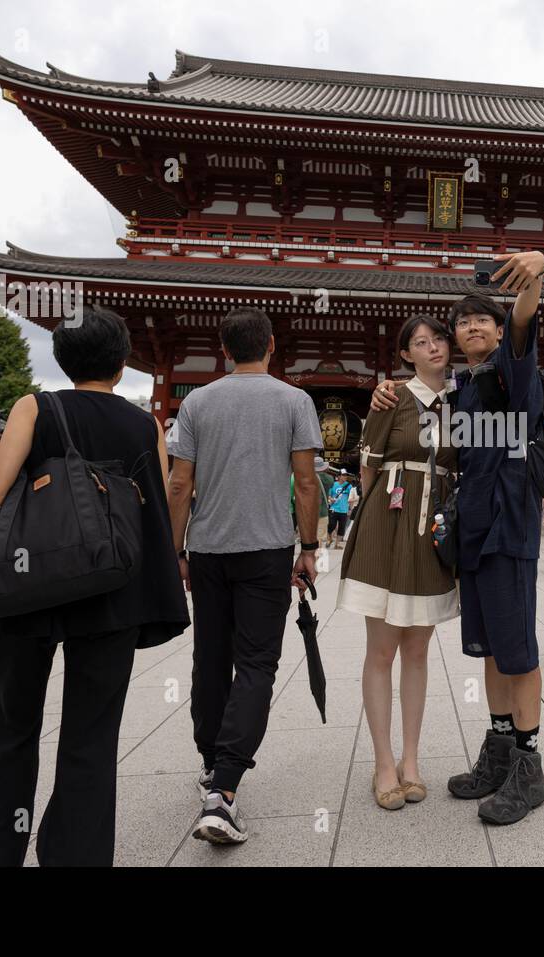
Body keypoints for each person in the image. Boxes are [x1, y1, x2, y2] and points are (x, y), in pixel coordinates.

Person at [0, 306, 190, 866]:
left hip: (25, 584)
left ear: (62, 358)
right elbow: (153, 511)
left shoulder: (35, 407)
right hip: (110, 594)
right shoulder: (143, 424)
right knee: (92, 737)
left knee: (12, 727)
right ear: (121, 359)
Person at [371, 250, 544, 826]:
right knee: (493, 647)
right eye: (462, 323)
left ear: (499, 331)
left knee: (517, 649)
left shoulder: (510, 370)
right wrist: (386, 391)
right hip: (472, 530)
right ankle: (499, 749)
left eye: (483, 320)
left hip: (509, 527)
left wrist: (537, 270)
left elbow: (525, 316)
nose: (471, 327)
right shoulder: (462, 391)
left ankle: (528, 765)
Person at [166, 307, 322, 845]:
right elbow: (305, 484)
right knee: (256, 663)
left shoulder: (197, 402)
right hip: (267, 550)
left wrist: (176, 549)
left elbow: (179, 484)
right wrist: (308, 547)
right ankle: (225, 790)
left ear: (224, 349)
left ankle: (212, 765)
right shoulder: (294, 401)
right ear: (272, 346)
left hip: (208, 549)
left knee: (210, 656)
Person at [340, 315, 460, 809]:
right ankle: (383, 762)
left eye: (437, 339)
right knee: (382, 650)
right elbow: (367, 472)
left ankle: (412, 760)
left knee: (417, 651)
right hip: (388, 527)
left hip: (433, 532)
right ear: (406, 354)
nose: (432, 347)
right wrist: (381, 525)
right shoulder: (391, 397)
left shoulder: (460, 403)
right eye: (419, 342)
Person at [327, 469, 352, 548]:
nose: (345, 477)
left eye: (346, 475)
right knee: (331, 525)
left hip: (344, 510)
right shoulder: (333, 484)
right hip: (334, 508)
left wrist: (350, 508)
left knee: (341, 528)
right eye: (343, 475)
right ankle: (330, 538)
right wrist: (331, 499)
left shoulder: (348, 486)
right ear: (339, 476)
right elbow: (328, 495)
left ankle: (337, 544)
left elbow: (351, 497)